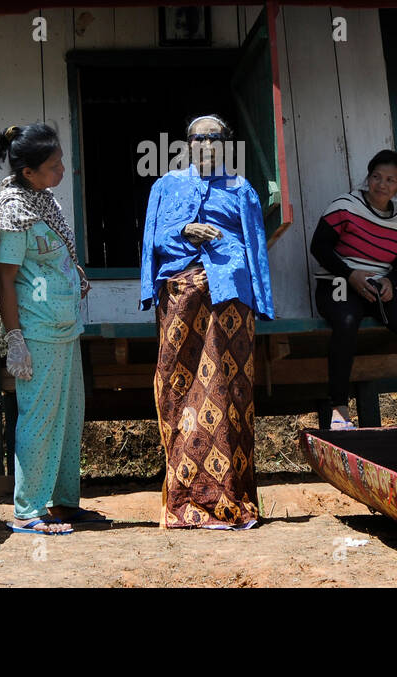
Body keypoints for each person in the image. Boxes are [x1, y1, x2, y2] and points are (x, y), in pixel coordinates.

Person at [140, 115, 274, 530]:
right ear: (187, 143)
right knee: (176, 384)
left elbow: (254, 244)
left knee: (228, 390)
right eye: (199, 137)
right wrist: (185, 229)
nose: (206, 143)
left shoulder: (242, 189)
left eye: (215, 138)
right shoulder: (165, 186)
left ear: (226, 144)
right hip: (180, 295)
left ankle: (233, 502)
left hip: (230, 297)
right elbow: (153, 240)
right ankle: (184, 504)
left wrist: (261, 301)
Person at [0, 124, 101, 535]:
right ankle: (28, 510)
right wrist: (15, 341)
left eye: (61, 160)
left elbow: (51, 256)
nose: (62, 170)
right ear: (28, 172)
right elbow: (5, 278)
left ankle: (63, 503)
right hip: (37, 332)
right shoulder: (13, 210)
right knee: (39, 420)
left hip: (65, 327)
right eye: (53, 165)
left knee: (68, 418)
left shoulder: (44, 202)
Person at [310, 149, 397, 430]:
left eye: (390, 180)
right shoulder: (345, 205)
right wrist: (350, 274)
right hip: (337, 283)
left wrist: (390, 282)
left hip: (377, 288)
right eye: (377, 177)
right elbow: (319, 247)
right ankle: (339, 409)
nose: (382, 184)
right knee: (346, 322)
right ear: (368, 177)